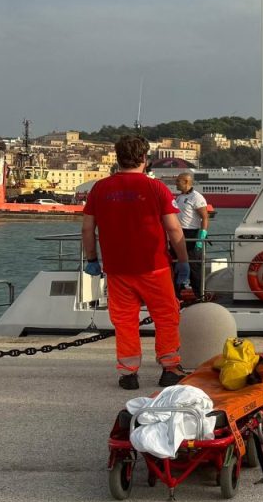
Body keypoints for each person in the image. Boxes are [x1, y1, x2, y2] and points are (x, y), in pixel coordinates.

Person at [81, 135, 191, 390]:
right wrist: (184, 260)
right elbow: (174, 230)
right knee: (165, 316)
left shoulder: (100, 188)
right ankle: (170, 368)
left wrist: (92, 259)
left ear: (117, 158)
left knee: (125, 321)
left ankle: (128, 373)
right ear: (144, 158)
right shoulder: (156, 188)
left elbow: (88, 229)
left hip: (117, 268)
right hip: (155, 266)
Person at [172, 172, 210, 298]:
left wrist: (201, 237)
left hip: (191, 234)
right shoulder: (179, 197)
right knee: (175, 264)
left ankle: (199, 295)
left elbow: (205, 217)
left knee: (194, 266)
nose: (176, 183)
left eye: (178, 181)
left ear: (186, 182)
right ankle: (175, 294)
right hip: (179, 233)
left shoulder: (196, 197)